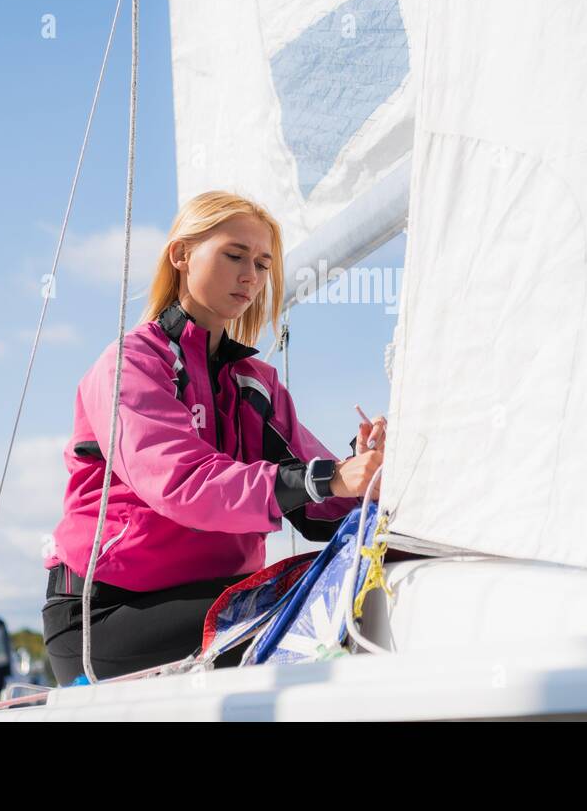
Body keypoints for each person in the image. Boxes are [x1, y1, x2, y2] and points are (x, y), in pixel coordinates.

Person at [41, 190, 386, 685]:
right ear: (181, 255)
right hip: (109, 614)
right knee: (309, 613)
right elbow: (184, 483)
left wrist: (366, 470)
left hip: (222, 597)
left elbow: (317, 504)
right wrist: (330, 479)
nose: (251, 276)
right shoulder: (132, 365)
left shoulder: (256, 384)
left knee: (356, 586)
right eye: (235, 255)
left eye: (263, 264)